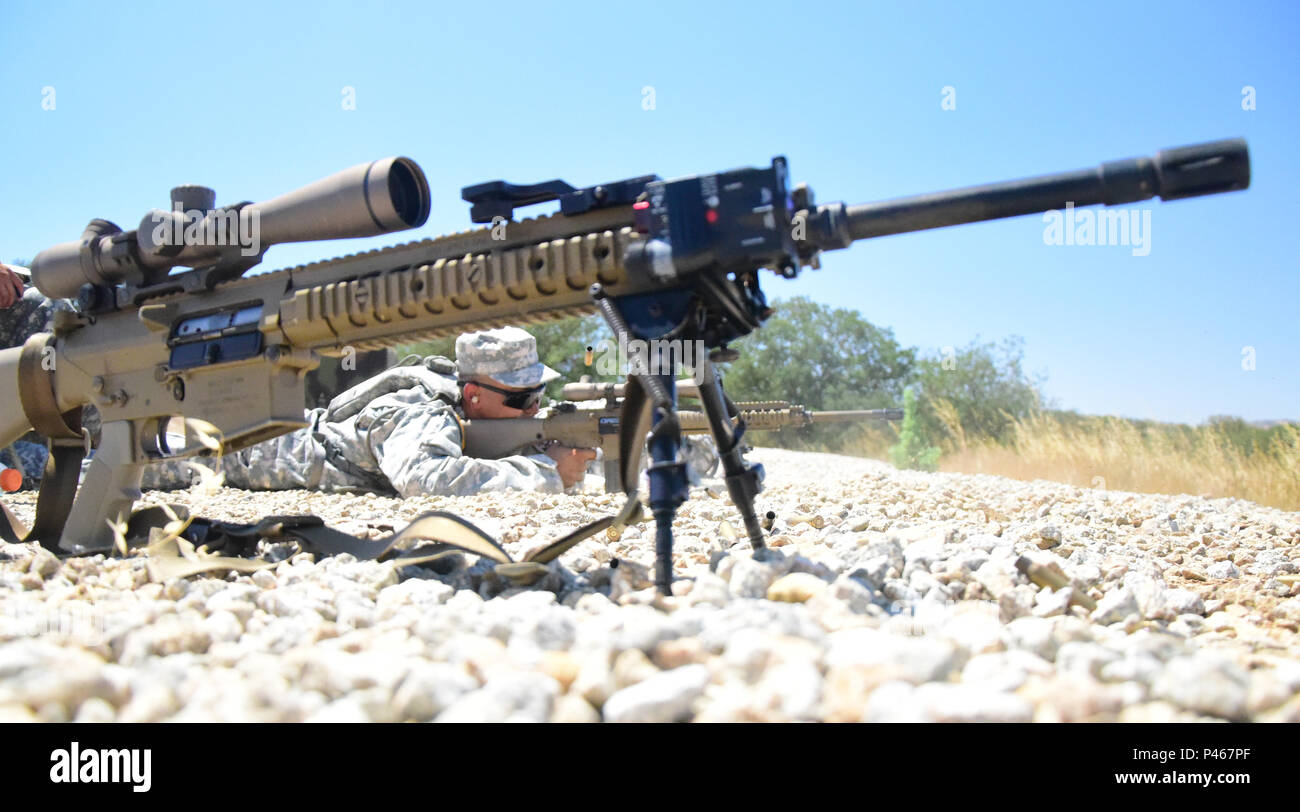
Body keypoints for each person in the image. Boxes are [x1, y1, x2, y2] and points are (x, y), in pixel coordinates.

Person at [141, 327, 598, 496]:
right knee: (135, 461)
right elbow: (426, 481)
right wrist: (544, 473)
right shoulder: (420, 410)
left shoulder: (484, 412)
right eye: (520, 400)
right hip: (244, 448)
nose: (532, 408)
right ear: (474, 396)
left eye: (539, 394)